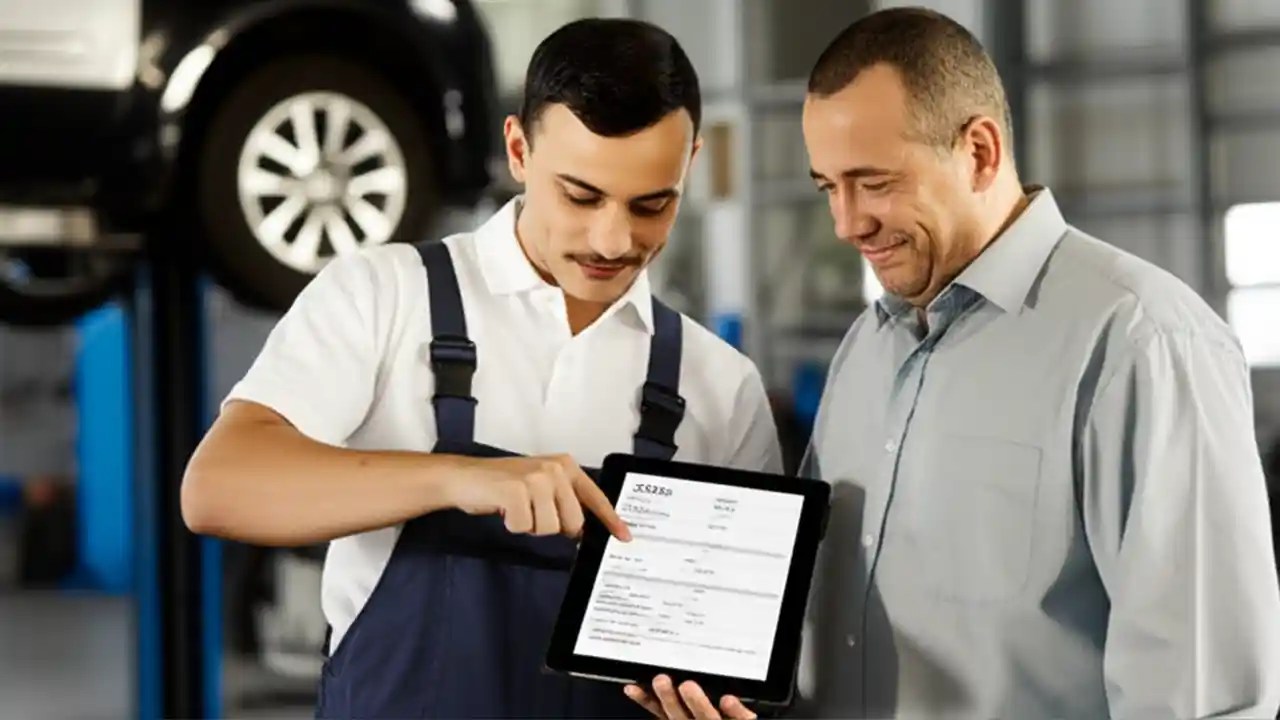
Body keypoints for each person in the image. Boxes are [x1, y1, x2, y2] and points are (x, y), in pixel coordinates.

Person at [627, 7, 1280, 719]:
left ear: (979, 152)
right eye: (827, 188)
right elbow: (816, 619)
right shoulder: (867, 350)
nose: (847, 224)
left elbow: (1203, 698)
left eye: (874, 183)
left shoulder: (1142, 344)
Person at [182, 17, 782, 719]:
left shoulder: (721, 387)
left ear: (690, 163)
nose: (613, 240)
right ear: (519, 150)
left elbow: (746, 660)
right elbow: (216, 488)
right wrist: (458, 479)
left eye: (652, 204)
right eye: (581, 196)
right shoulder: (384, 295)